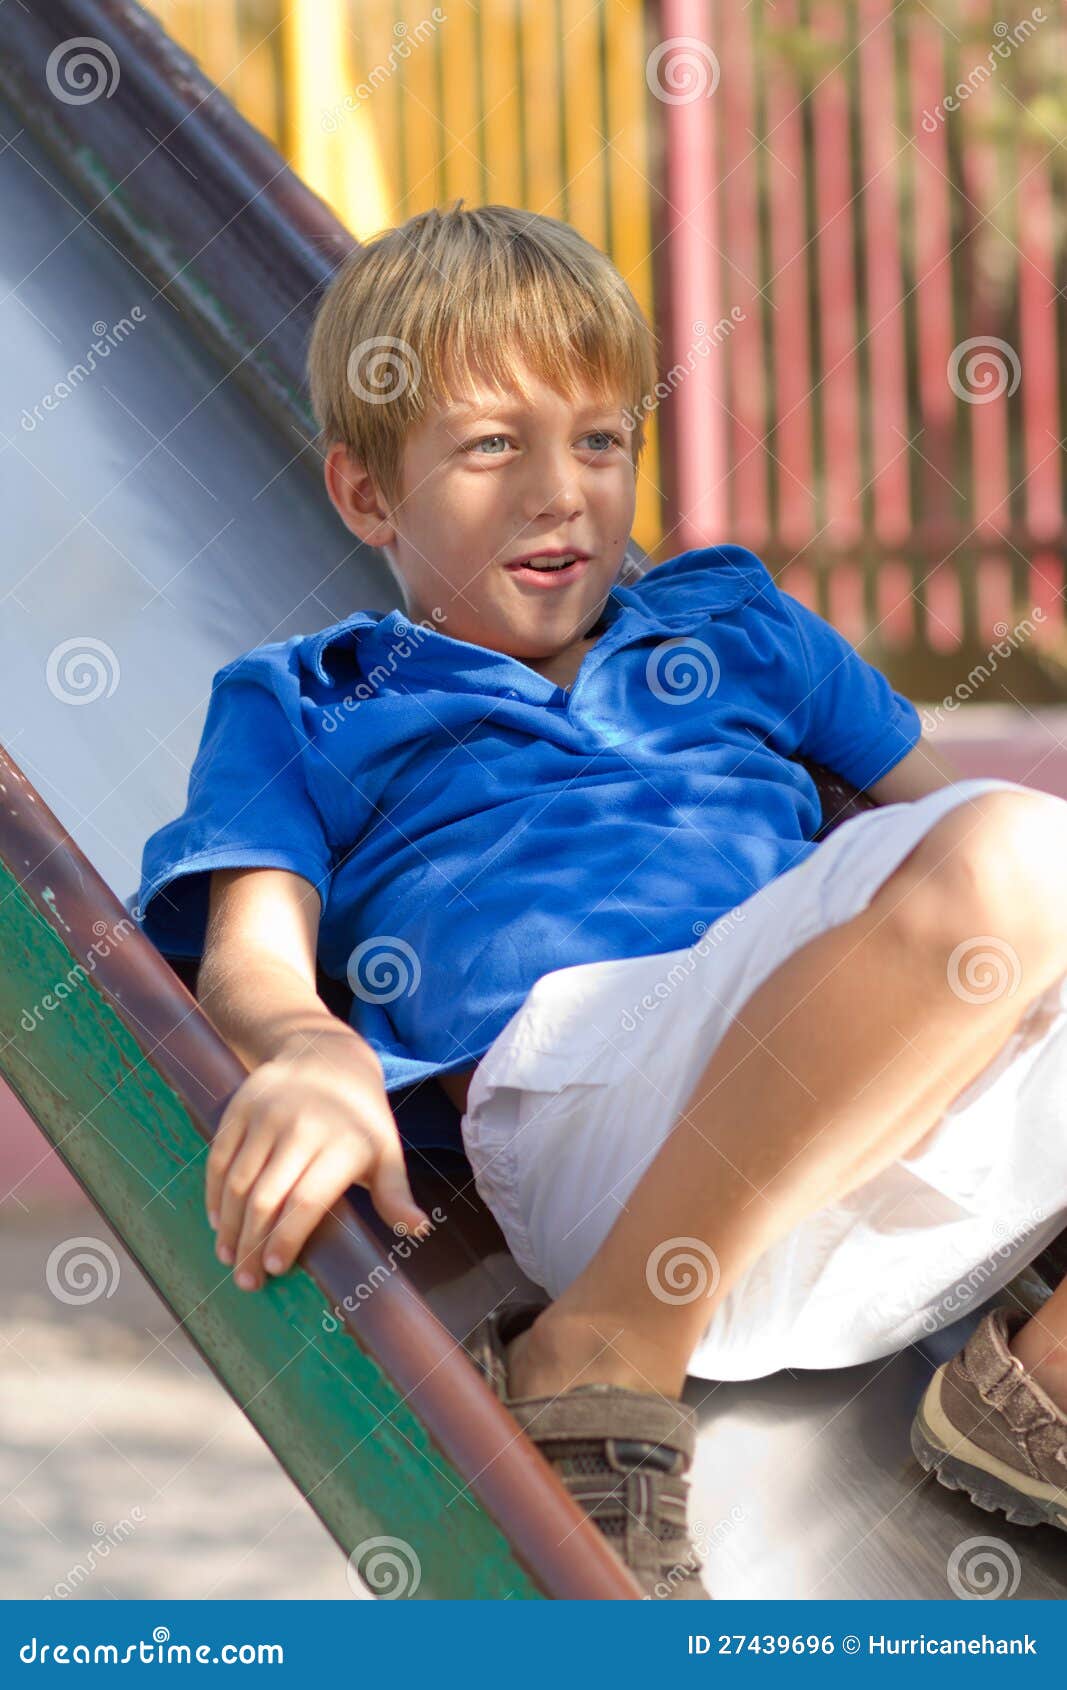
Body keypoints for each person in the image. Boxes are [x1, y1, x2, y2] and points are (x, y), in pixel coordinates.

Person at [135, 202, 1067, 1599]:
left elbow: (956, 854)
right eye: (495, 444)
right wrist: (315, 1054)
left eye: (599, 440)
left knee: (1007, 865)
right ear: (367, 494)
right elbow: (253, 959)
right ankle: (597, 1357)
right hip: (611, 1137)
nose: (559, 491)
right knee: (1006, 859)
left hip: (885, 1193)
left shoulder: (735, 624)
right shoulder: (310, 697)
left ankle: (1037, 1389)